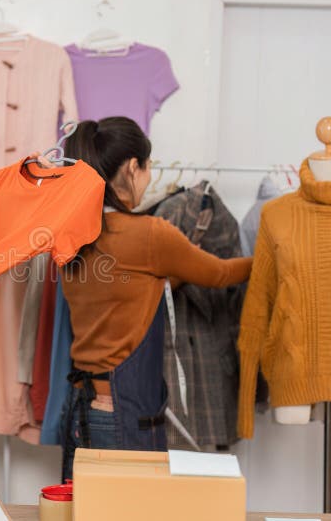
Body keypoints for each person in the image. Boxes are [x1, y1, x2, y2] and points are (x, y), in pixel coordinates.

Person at [57, 117, 253, 481]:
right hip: (122, 413)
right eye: (148, 168)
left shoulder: (71, 234)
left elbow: (126, 289)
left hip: (82, 408)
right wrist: (270, 258)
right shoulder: (148, 234)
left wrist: (175, 265)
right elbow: (220, 274)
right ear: (133, 167)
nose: (149, 179)